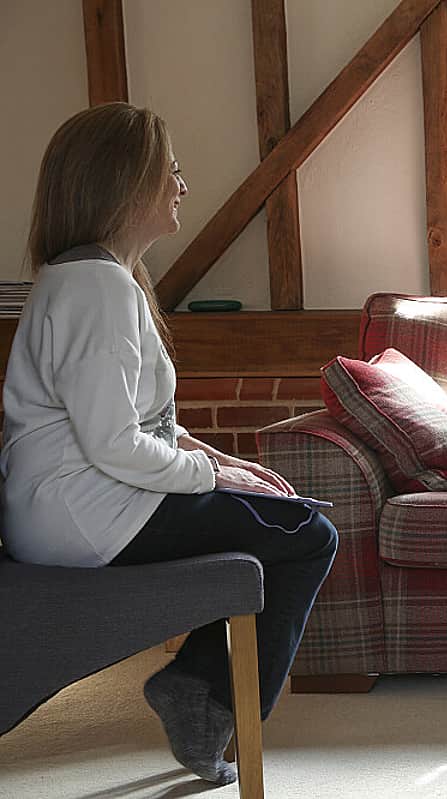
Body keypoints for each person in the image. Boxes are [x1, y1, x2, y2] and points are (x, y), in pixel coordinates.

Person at [0, 103, 337, 786]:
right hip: (91, 513)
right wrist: (209, 481)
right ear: (125, 181)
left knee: (291, 514)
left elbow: (136, 419)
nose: (182, 184)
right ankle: (203, 694)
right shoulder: (97, 287)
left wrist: (216, 459)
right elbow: (116, 444)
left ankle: (199, 687)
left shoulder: (88, 277)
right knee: (310, 532)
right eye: (171, 170)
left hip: (80, 507)